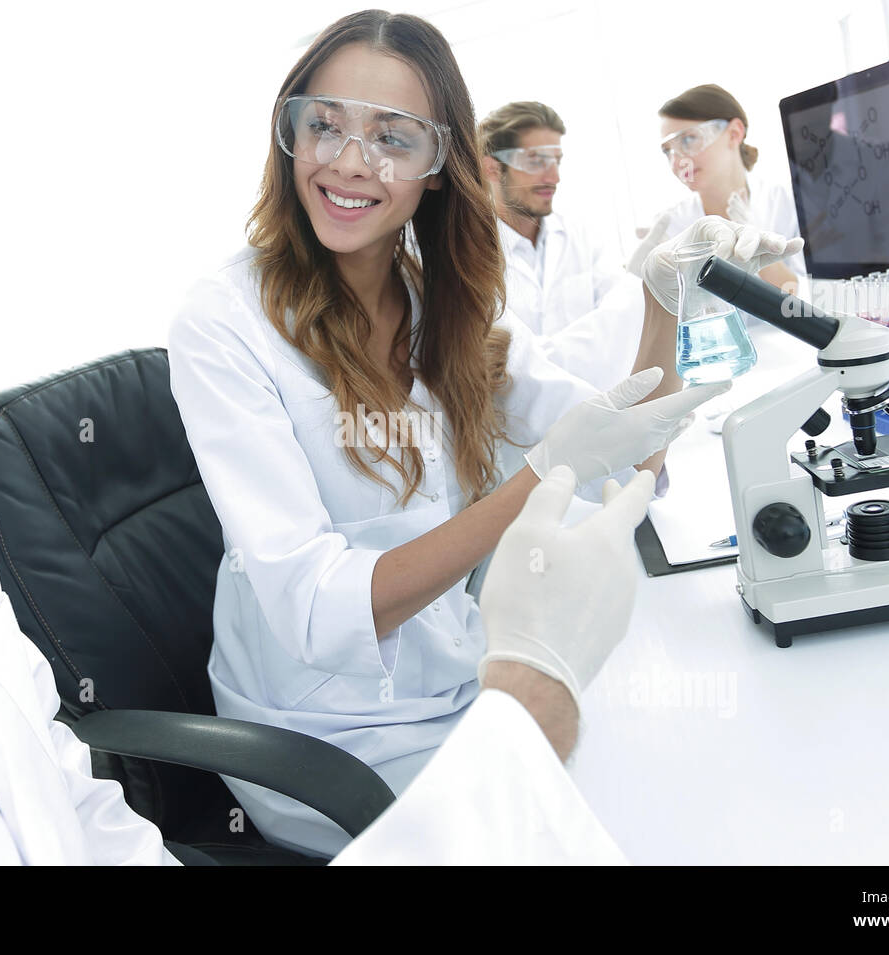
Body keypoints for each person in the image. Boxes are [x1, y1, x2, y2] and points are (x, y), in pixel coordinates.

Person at [167, 11, 797, 856]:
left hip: (456, 681)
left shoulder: (440, 304)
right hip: (323, 739)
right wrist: (536, 478)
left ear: (437, 166)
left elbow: (626, 451)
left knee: (695, 785)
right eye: (324, 124)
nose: (350, 161)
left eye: (392, 136)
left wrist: (661, 304)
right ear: (291, 132)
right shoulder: (226, 322)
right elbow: (317, 608)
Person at [477, 101, 644, 394]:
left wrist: (536, 360)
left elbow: (627, 328)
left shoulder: (583, 236)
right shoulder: (466, 255)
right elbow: (498, 370)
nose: (553, 177)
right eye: (535, 161)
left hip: (603, 411)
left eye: (556, 160)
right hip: (519, 432)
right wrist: (597, 340)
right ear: (493, 168)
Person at [631, 84, 805, 292]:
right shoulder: (670, 227)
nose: (677, 162)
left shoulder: (786, 203)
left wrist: (763, 253)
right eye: (668, 151)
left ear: (734, 133)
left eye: (688, 139)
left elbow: (808, 301)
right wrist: (655, 281)